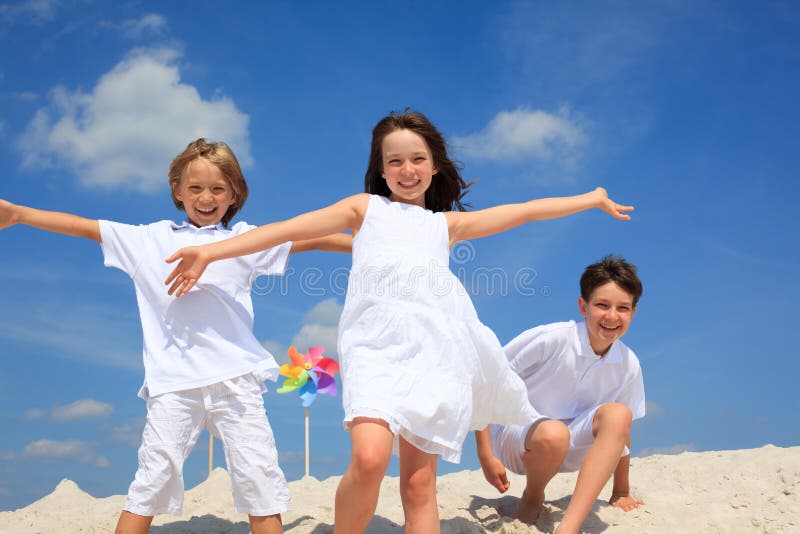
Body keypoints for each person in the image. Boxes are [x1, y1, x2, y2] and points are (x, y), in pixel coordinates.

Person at [163, 110, 634, 534]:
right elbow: (284, 229)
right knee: (369, 458)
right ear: (380, 168)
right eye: (394, 162)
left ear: (434, 166)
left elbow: (524, 212)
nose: (406, 171)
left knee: (419, 482)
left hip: (434, 354)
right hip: (374, 347)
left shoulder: (444, 226)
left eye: (417, 159)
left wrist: (590, 198)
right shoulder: (363, 210)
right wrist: (210, 250)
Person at [0, 139, 350, 534]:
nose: (206, 197)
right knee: (150, 480)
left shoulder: (245, 241)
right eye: (196, 187)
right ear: (177, 191)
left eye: (218, 189)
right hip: (173, 385)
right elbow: (84, 227)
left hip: (236, 381)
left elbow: (317, 238)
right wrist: (19, 213)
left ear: (234, 194)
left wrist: (370, 245)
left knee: (259, 479)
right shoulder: (148, 239)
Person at [475, 255, 646, 534]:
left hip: (573, 446)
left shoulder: (629, 364)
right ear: (583, 306)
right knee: (554, 432)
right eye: (602, 305)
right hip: (516, 438)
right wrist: (484, 453)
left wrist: (621, 490)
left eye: (623, 308)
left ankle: (568, 527)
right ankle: (532, 497)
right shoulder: (551, 338)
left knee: (619, 414)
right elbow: (487, 381)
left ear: (633, 312)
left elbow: (622, 433)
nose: (612, 316)